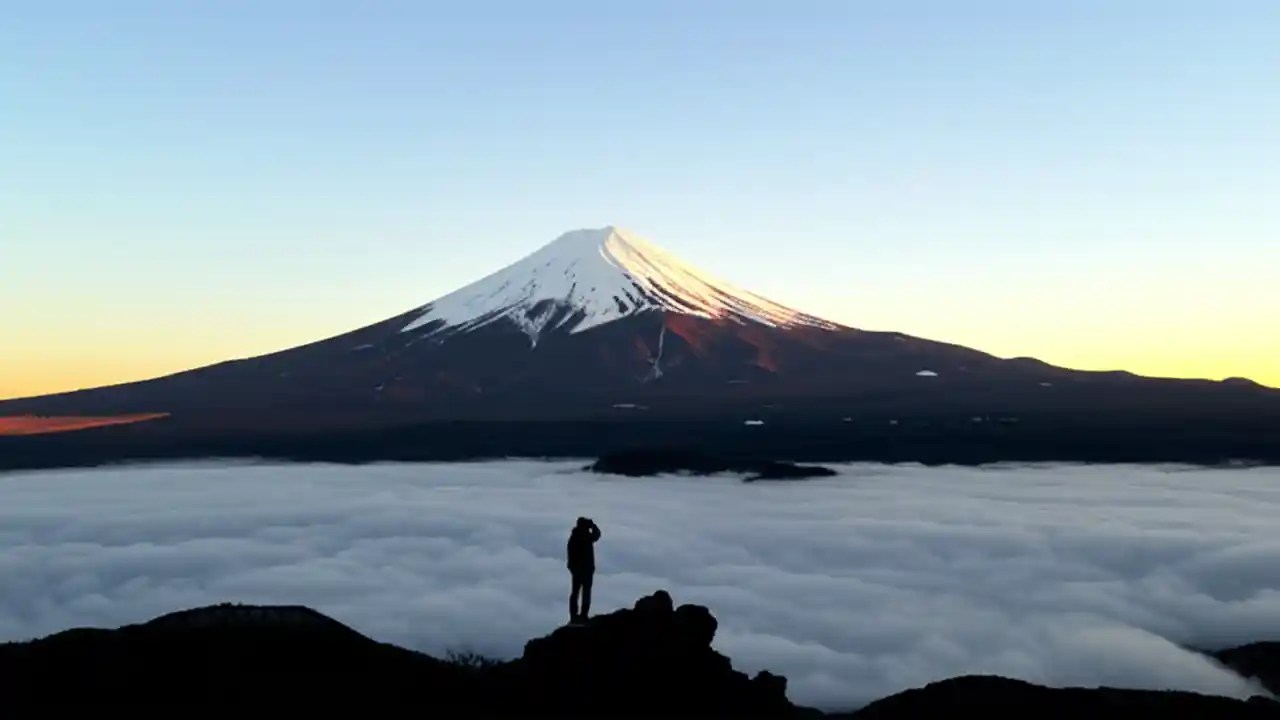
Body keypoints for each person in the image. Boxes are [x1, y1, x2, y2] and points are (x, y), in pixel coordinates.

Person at [566, 516, 601, 624]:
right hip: (585, 569)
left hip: (578, 569)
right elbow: (597, 535)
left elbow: (570, 553)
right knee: (585, 592)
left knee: (576, 592)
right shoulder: (585, 537)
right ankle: (583, 615)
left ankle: (575, 616)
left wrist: (571, 567)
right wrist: (594, 526)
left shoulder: (575, 536)